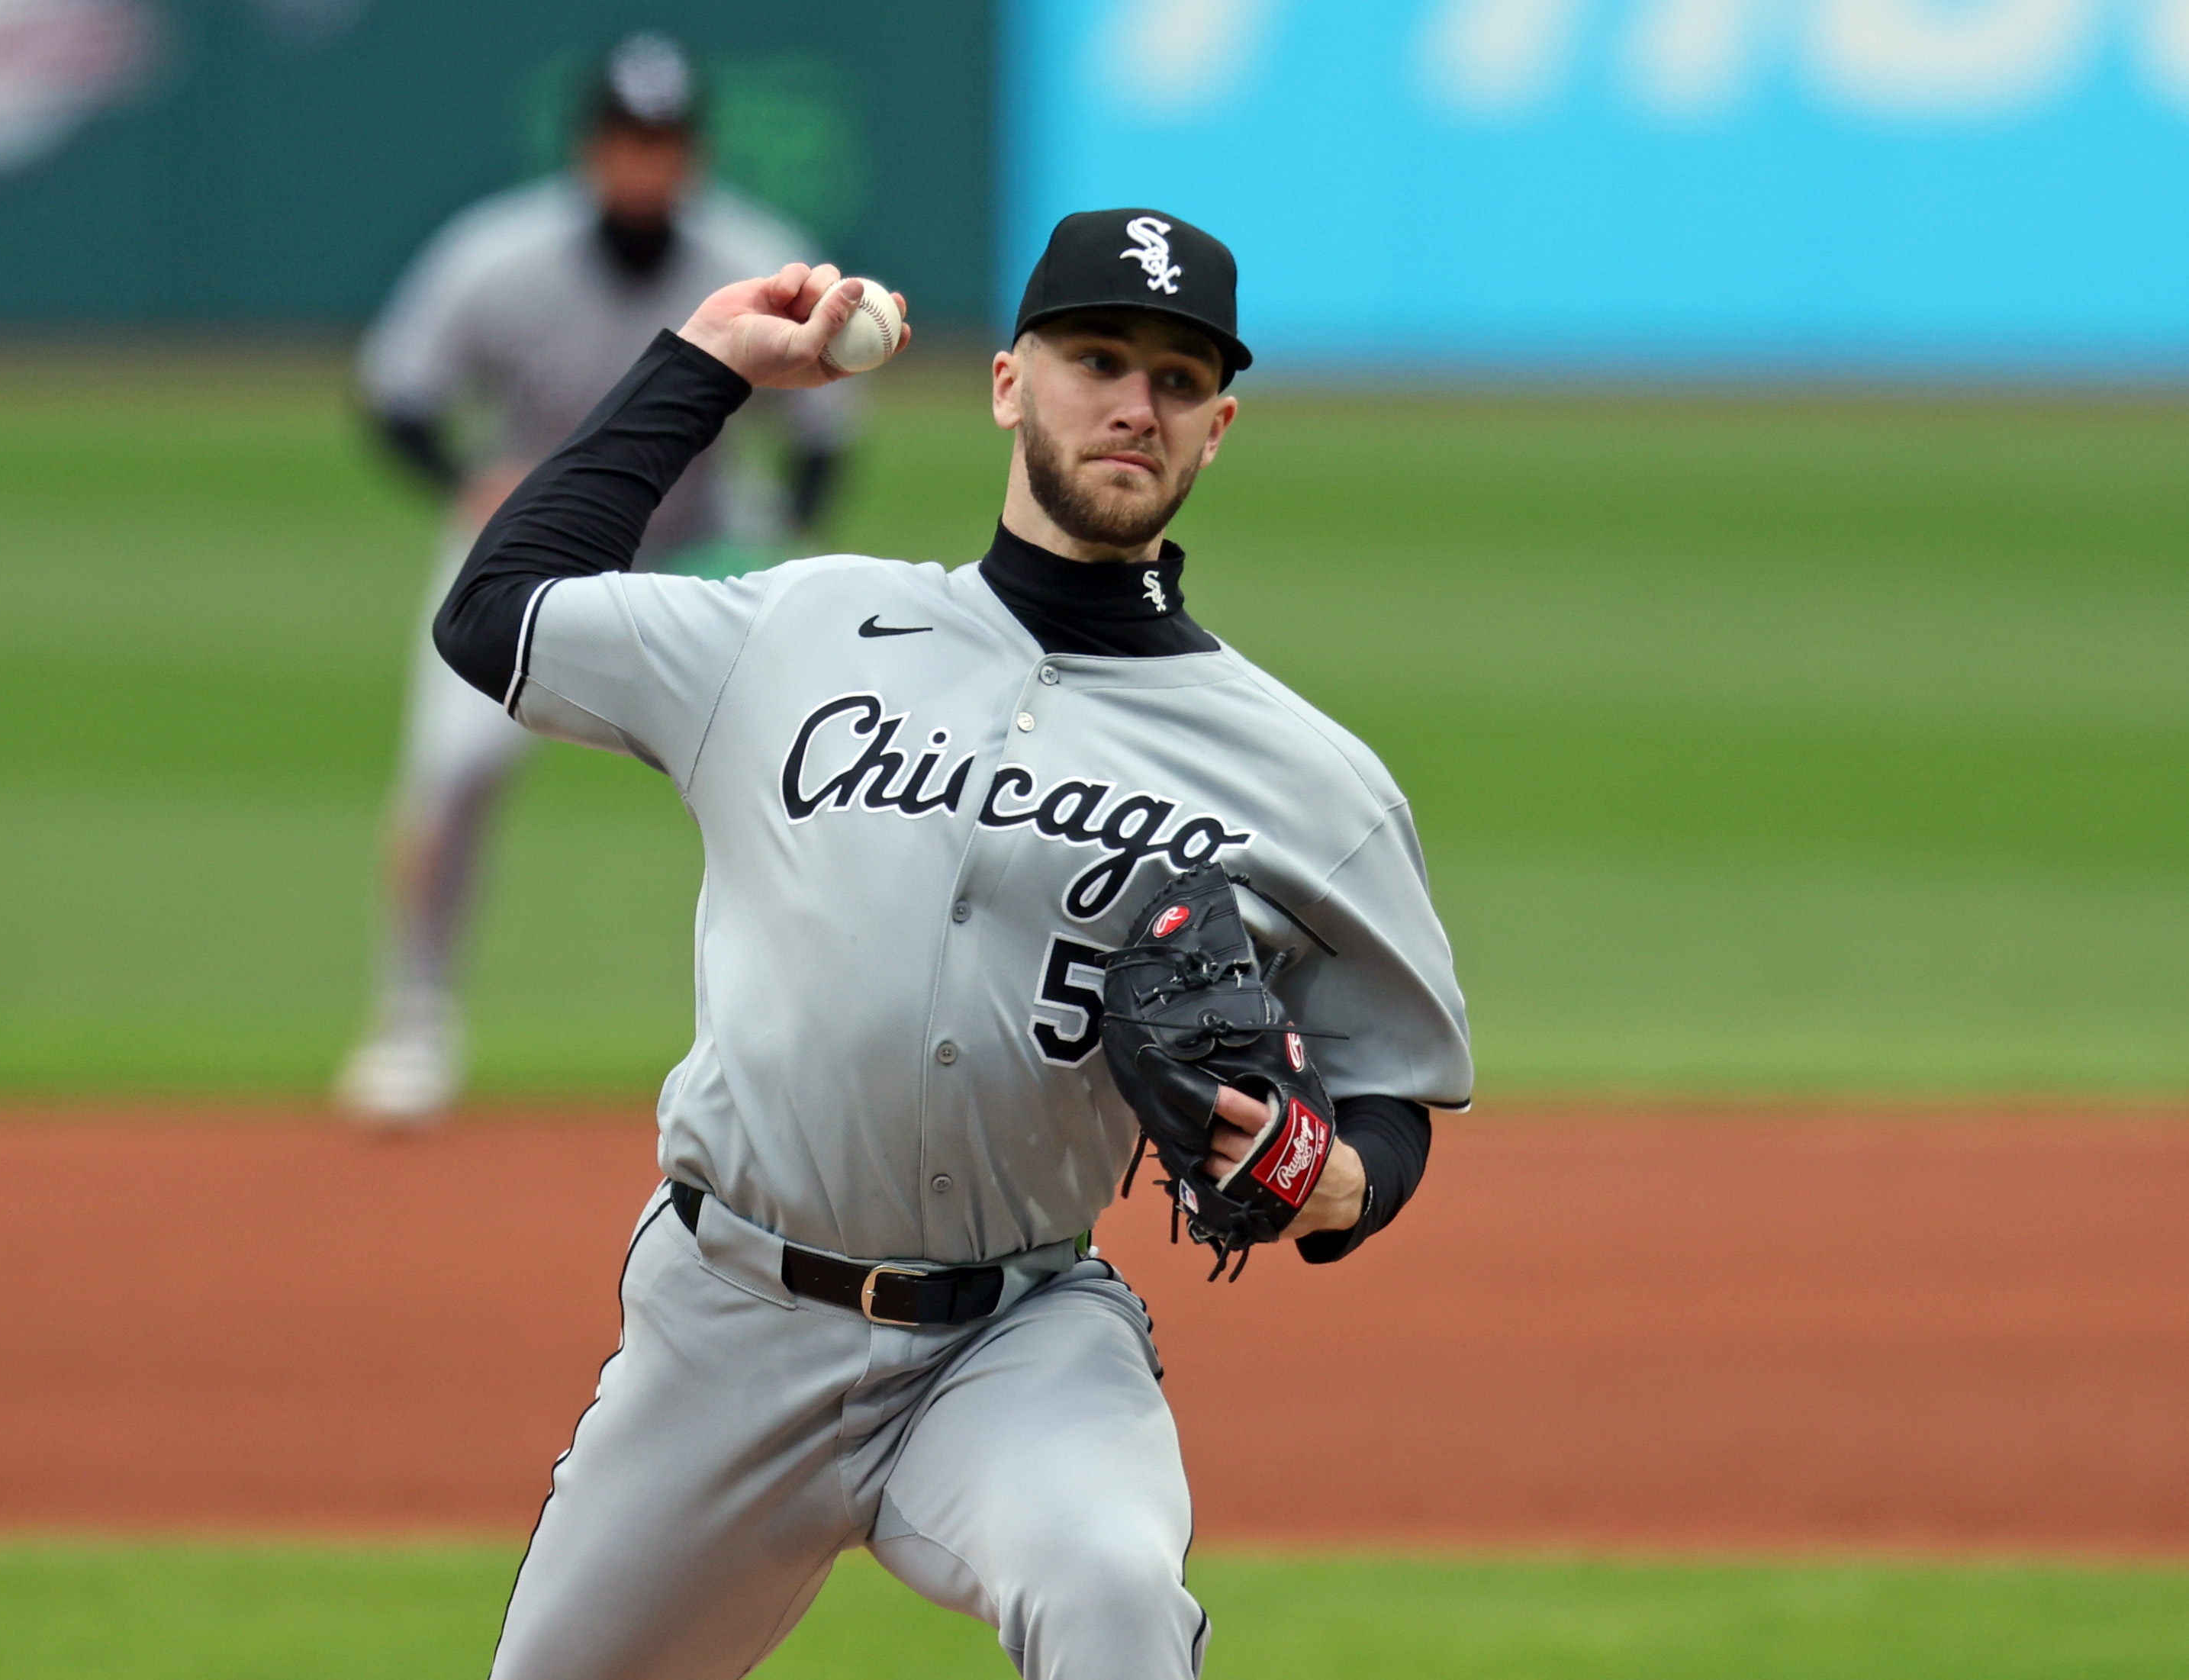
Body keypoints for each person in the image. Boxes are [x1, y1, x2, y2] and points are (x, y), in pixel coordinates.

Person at [433, 212, 1472, 1678]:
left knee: (1110, 1584)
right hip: (725, 1326)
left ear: (1217, 428)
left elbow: (1392, 1091)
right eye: (1097, 357)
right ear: (1007, 383)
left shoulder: (1309, 780)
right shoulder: (796, 629)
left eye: (1178, 380)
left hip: (1016, 1339)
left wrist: (1330, 1176)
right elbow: (496, 615)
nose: (1134, 403)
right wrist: (705, 362)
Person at [336, 32, 856, 1120]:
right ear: (589, 148)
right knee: (452, 775)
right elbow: (397, 394)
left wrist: (776, 541)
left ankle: (817, 1047)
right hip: (534, 560)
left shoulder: (756, 256)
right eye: (627, 140)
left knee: (805, 798)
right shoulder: (498, 255)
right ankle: (414, 1022)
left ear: (694, 152)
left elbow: (823, 443)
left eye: (663, 142)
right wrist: (465, 483)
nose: (644, 163)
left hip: (705, 560)